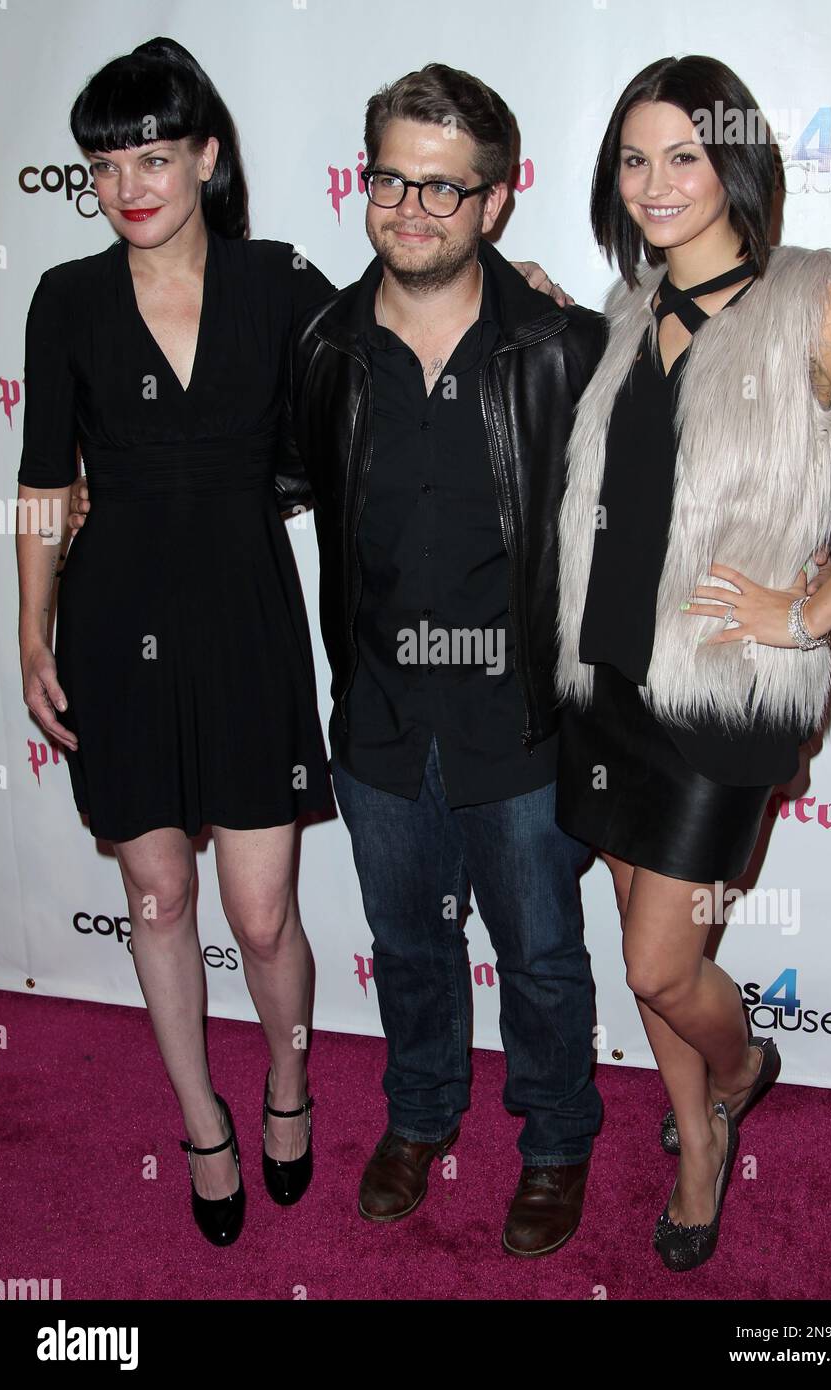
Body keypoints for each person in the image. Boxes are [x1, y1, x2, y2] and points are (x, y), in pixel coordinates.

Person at [554, 54, 831, 1272]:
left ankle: (744, 1062)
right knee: (637, 955)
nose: (655, 183)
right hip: (605, 678)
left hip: (721, 696)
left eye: (684, 156)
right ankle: (703, 1150)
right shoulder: (620, 317)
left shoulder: (812, 302)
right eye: (634, 158)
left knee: (665, 959)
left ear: (736, 164)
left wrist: (809, 619)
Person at [275, 64, 609, 1257]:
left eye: (444, 189)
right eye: (391, 179)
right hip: (374, 720)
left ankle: (558, 1138)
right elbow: (263, 486)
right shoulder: (321, 347)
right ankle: (418, 1114)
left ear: (497, 203)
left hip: (516, 724)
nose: (411, 209)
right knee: (410, 944)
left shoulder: (564, 346)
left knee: (542, 956)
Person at [16, 37, 336, 1246]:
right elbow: (44, 481)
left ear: (207, 155)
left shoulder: (278, 279)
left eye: (154, 155)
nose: (130, 184)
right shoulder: (67, 299)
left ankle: (289, 1085)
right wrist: (31, 627)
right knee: (158, 896)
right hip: (112, 621)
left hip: (248, 619)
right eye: (106, 165)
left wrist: (515, 287)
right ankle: (204, 1122)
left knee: (262, 915)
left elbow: (392, 351)